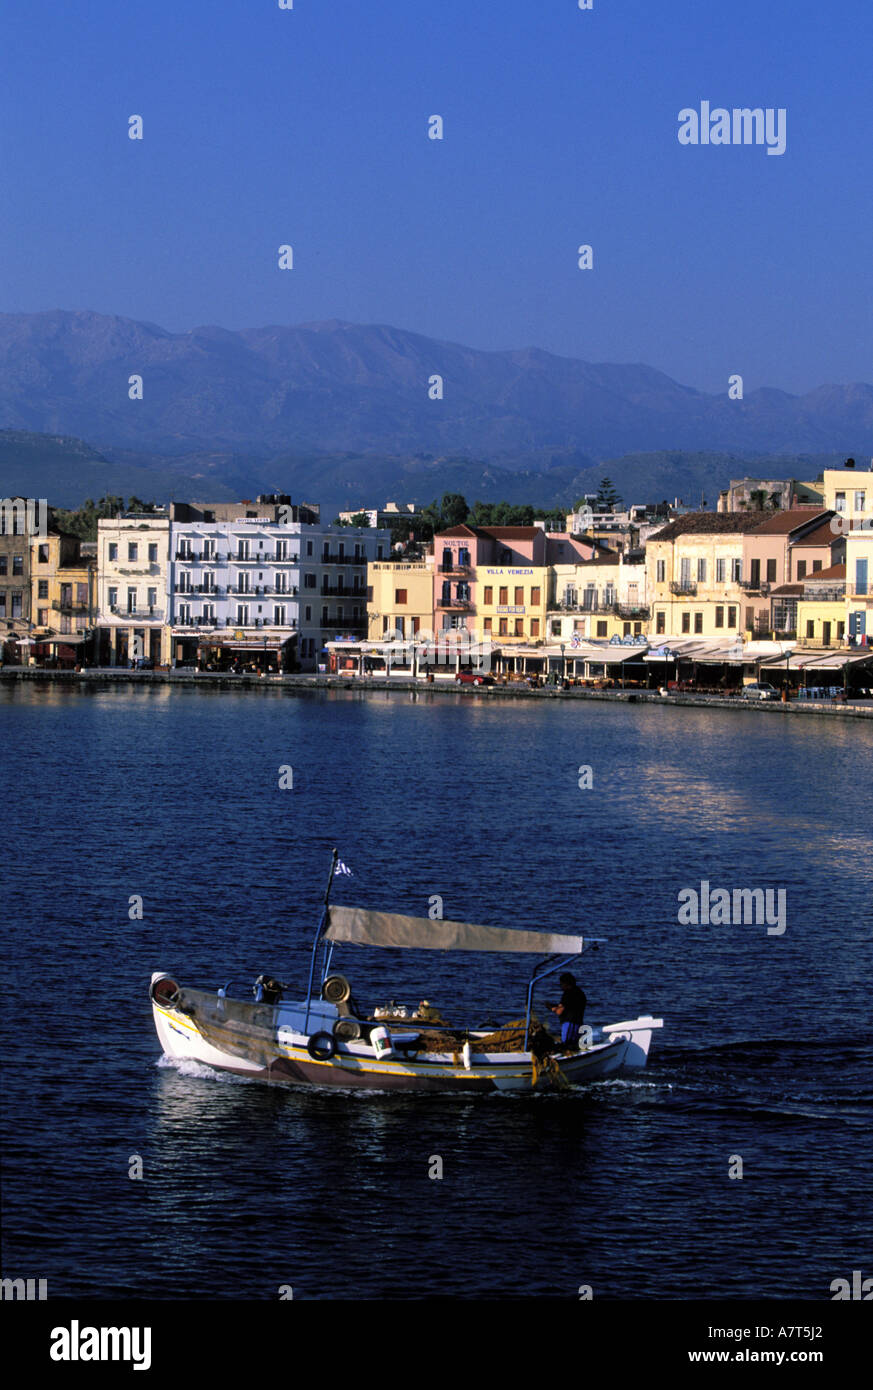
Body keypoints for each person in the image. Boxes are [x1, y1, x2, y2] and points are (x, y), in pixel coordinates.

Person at [550, 972, 587, 1049]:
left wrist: (550, 1007)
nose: (561, 986)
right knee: (574, 1046)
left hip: (570, 1025)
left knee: (566, 1046)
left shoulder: (568, 994)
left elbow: (559, 1011)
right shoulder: (580, 992)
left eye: (561, 984)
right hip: (578, 1024)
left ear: (566, 984)